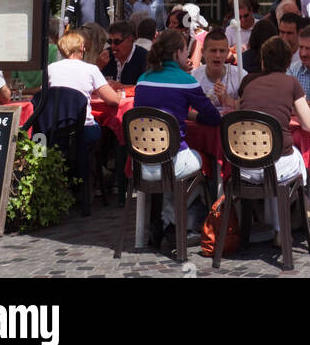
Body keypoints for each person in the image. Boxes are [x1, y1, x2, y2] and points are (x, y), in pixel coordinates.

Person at [134, 28, 220, 253]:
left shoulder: (142, 80)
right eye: (185, 51)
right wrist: (190, 114)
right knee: (202, 161)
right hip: (171, 162)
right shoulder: (185, 81)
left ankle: (165, 222)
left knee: (176, 161)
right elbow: (212, 117)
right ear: (177, 53)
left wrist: (184, 113)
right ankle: (175, 224)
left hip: (142, 162)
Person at [238, 36, 310, 237]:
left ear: (262, 59)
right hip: (277, 167)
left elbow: (242, 112)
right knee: (298, 157)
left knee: (273, 154)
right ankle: (303, 209)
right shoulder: (291, 83)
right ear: (289, 62)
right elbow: (309, 125)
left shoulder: (247, 81)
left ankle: (274, 226)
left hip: (244, 167)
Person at [47, 29, 122, 213]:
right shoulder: (90, 69)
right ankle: (94, 178)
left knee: (61, 140)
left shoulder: (51, 69)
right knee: (102, 132)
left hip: (55, 130)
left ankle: (75, 179)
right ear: (81, 47)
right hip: (83, 130)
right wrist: (120, 93)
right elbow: (113, 100)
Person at [194, 28, 241, 111]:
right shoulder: (194, 77)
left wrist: (227, 99)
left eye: (222, 51)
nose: (218, 55)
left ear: (227, 53)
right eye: (213, 51)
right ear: (203, 52)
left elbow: (247, 108)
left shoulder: (240, 75)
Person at [103, 20, 147, 85]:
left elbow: (145, 87)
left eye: (117, 41)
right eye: (110, 41)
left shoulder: (144, 57)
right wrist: (99, 66)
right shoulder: (106, 56)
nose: (112, 46)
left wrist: (122, 87)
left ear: (130, 39)